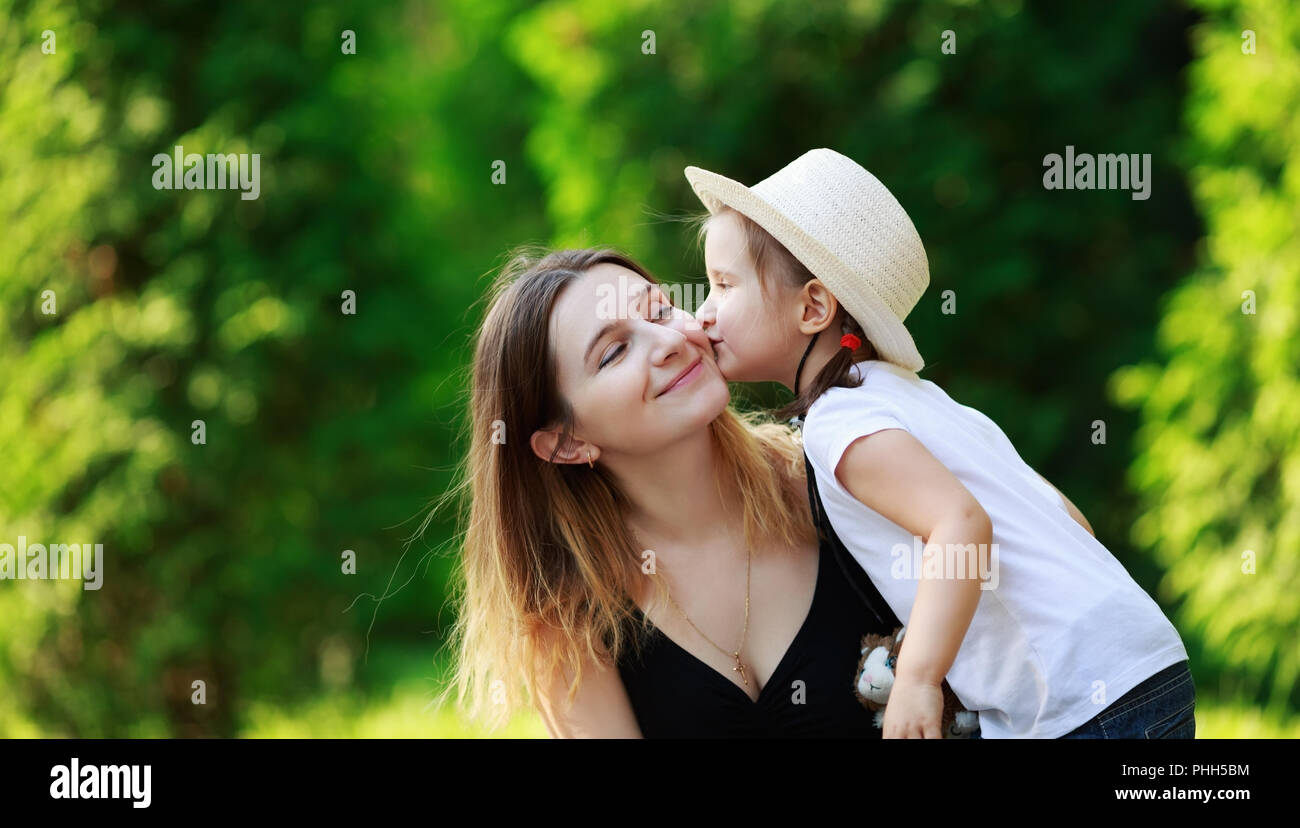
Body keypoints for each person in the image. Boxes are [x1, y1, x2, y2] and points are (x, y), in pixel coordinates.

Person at [684, 147, 1195, 739]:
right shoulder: (918, 398)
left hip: (1082, 697)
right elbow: (1067, 518)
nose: (704, 313)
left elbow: (960, 523)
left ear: (814, 306)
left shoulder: (838, 422)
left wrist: (919, 678)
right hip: (1134, 655)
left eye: (723, 286)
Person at [442, 245, 901, 737]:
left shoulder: (835, 474)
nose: (668, 341)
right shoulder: (566, 619)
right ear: (566, 443)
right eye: (615, 352)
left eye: (660, 310)